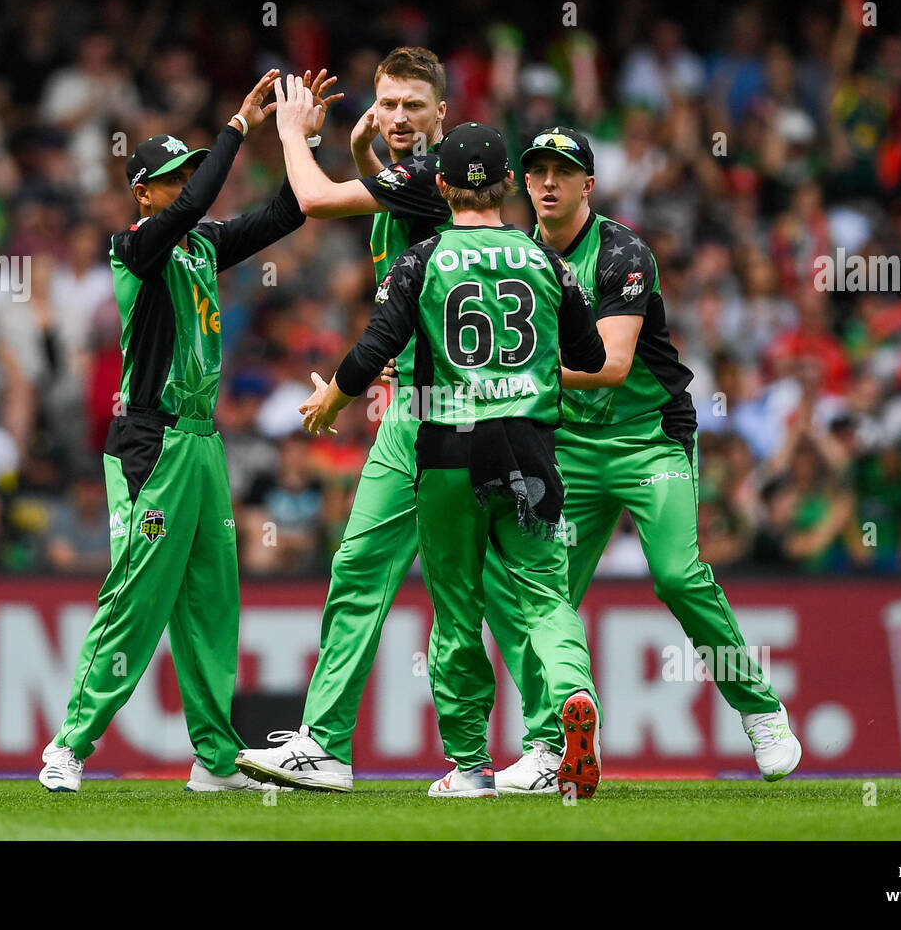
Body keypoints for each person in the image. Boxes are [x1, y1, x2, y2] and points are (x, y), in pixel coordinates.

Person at [235, 52, 555, 792]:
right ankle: (327, 746)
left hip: (443, 418)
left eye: (415, 105)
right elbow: (384, 196)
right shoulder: (420, 181)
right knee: (364, 570)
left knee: (492, 591)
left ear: (442, 115)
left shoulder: (430, 177)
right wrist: (357, 146)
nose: (401, 118)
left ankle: (541, 740)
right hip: (419, 411)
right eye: (388, 104)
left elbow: (314, 203)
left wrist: (291, 134)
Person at [38, 68, 340, 793]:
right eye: (171, 178)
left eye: (185, 175)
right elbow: (197, 204)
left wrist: (306, 143)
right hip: (155, 440)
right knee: (138, 592)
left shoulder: (201, 246)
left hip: (204, 445)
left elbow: (284, 215)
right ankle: (69, 745)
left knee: (212, 599)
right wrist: (237, 127)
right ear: (143, 193)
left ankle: (212, 759)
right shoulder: (132, 249)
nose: (184, 187)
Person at [299, 123, 606, 798]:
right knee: (544, 598)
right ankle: (573, 699)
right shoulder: (544, 260)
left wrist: (333, 403)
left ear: (439, 187)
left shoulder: (423, 259)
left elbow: (375, 345)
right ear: (508, 188)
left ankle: (470, 768)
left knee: (457, 611)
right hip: (528, 446)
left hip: (446, 450)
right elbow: (590, 358)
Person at [517, 126, 801, 782]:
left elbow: (613, 365)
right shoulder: (517, 257)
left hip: (651, 439)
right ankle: (545, 745)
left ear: (589, 184)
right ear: (525, 183)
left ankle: (761, 710)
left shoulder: (623, 252)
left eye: (563, 172)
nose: (549, 183)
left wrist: (516, 372)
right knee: (545, 590)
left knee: (676, 575)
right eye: (537, 172)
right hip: (570, 447)